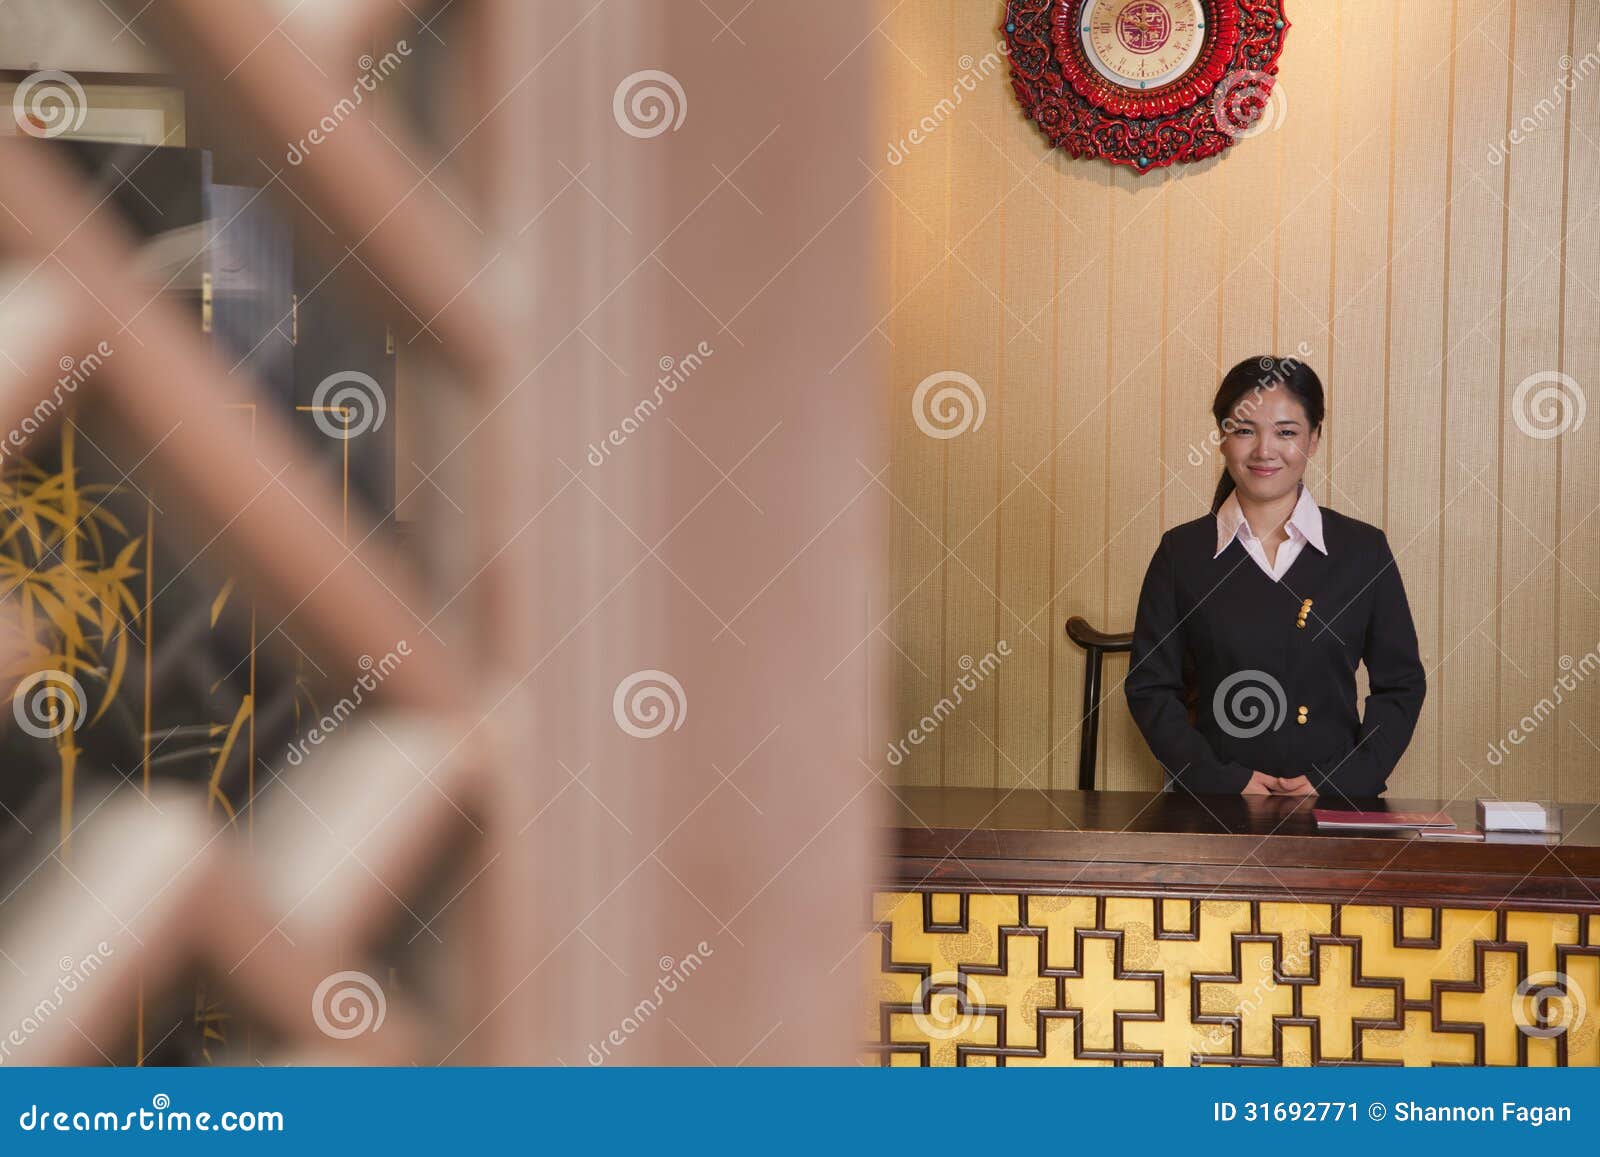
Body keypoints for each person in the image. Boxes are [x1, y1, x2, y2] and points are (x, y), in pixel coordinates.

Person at [1124, 356, 1426, 799]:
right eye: (1245, 430)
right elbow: (1150, 687)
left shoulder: (1362, 550)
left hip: (1334, 805)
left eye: (1286, 432)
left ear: (1315, 438)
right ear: (1222, 438)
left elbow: (1401, 685)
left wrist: (1342, 780)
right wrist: (1223, 779)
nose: (1265, 450)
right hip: (1216, 806)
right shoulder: (1181, 553)